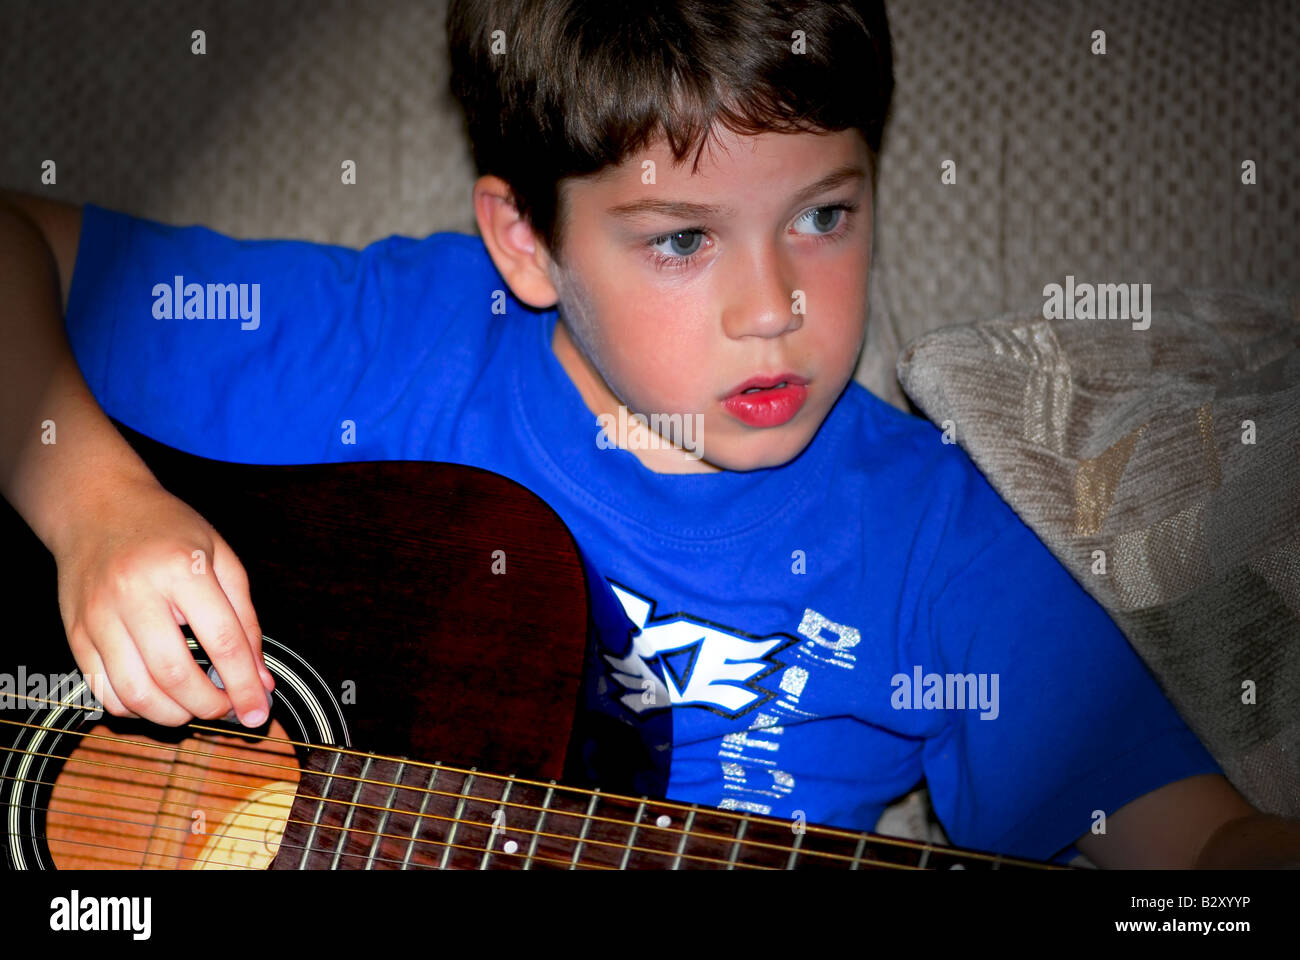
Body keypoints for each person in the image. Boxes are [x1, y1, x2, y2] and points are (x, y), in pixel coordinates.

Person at [0, 0, 1294, 868]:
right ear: (526, 245)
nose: (776, 307)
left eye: (825, 218)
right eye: (682, 239)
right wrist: (93, 506)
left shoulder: (929, 547)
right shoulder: (402, 343)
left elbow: (1193, 843)